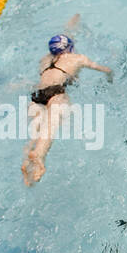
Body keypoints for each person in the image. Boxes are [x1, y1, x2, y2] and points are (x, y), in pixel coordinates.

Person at [23, 21, 113, 186]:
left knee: (36, 133)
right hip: (56, 93)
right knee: (51, 127)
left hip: (37, 95)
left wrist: (73, 22)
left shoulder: (45, 60)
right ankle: (39, 156)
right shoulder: (77, 58)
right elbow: (104, 69)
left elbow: (67, 33)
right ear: (69, 47)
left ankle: (28, 161)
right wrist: (110, 77)